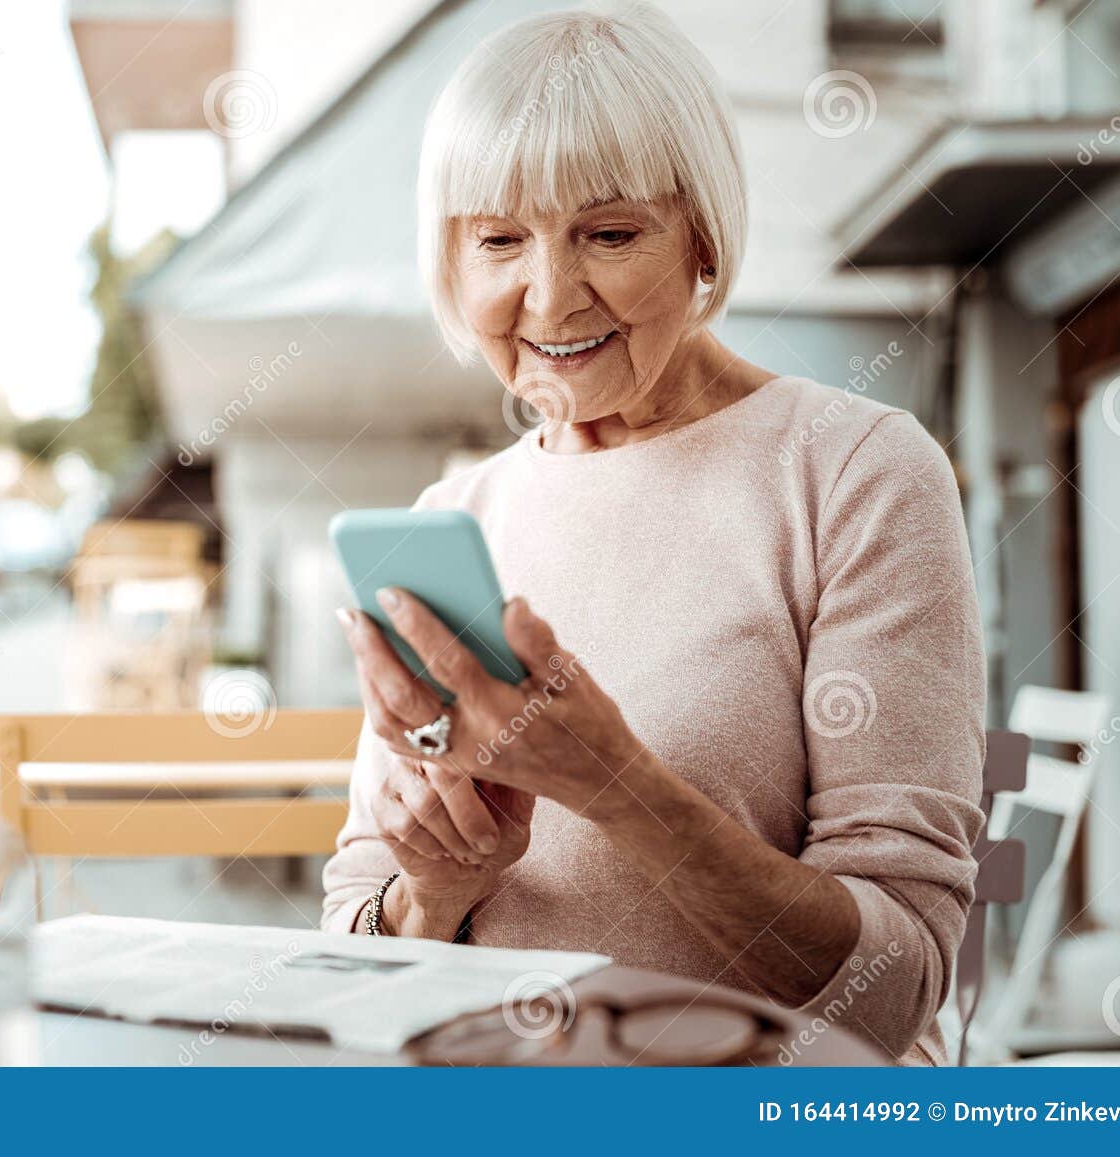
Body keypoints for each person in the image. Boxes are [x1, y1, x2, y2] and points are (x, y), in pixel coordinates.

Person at [322, 2, 985, 1066]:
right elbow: (354, 931)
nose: (547, 293)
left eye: (610, 232)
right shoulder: (454, 520)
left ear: (702, 237)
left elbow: (891, 992)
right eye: (498, 238)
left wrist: (616, 784)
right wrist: (434, 888)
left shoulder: (854, 471)